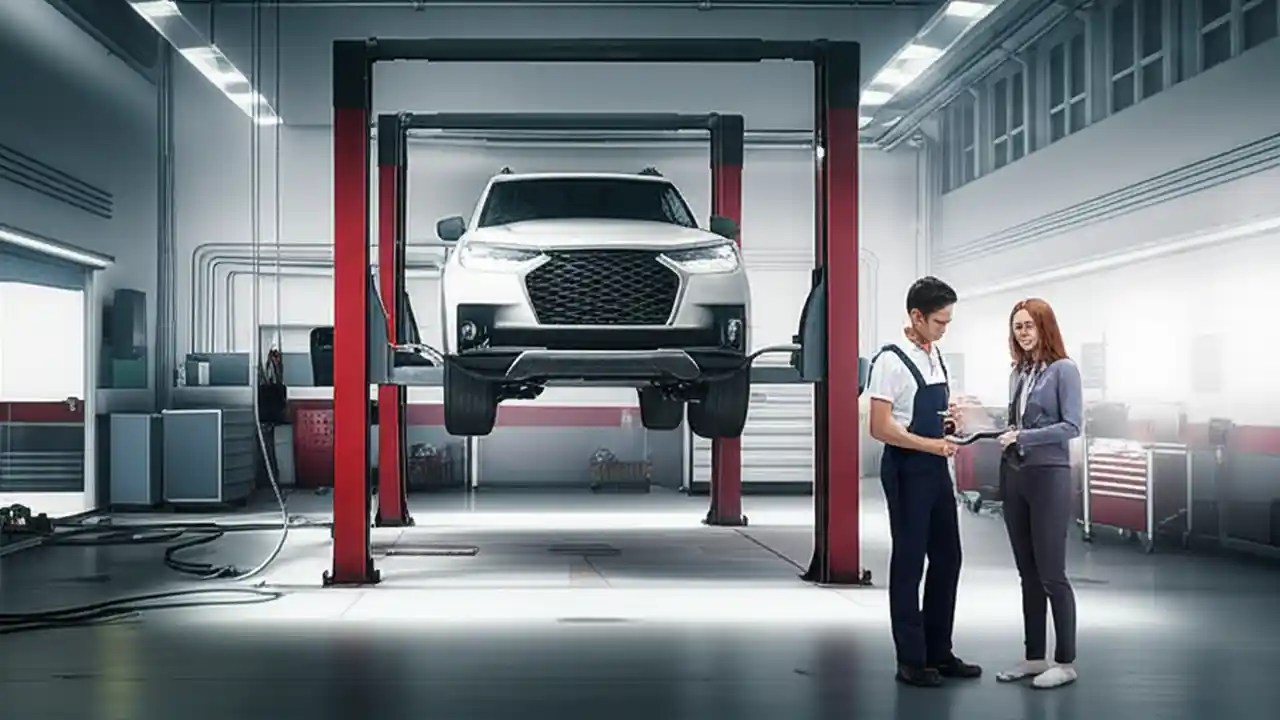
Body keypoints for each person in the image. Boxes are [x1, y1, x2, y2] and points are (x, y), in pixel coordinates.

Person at [866, 276, 982, 688]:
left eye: (948, 322)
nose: (943, 329)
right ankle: (911, 660)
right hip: (907, 469)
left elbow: (929, 410)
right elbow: (879, 427)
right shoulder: (889, 362)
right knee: (910, 561)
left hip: (935, 469)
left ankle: (939, 651)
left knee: (948, 557)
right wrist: (928, 446)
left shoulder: (936, 355)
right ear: (916, 316)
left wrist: (950, 421)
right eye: (938, 322)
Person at [993, 298, 1083, 690]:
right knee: (1027, 573)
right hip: (1015, 474)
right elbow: (1014, 422)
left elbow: (1072, 426)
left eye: (1029, 326)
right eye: (1017, 327)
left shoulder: (1065, 371)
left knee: (1052, 573)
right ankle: (1034, 657)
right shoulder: (1018, 372)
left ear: (1045, 327)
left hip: (1049, 475)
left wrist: (1024, 436)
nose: (1023, 333)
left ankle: (1065, 661)